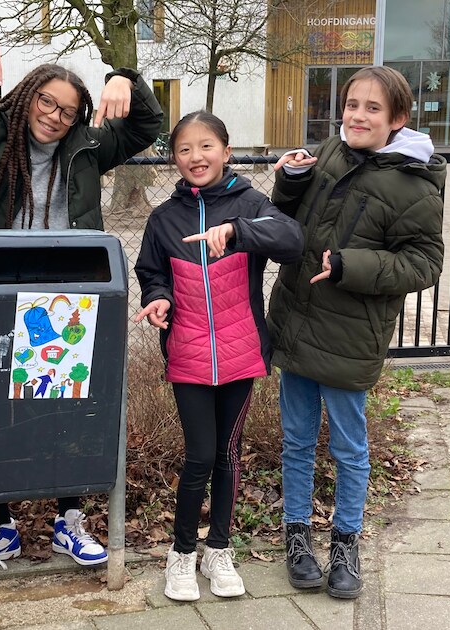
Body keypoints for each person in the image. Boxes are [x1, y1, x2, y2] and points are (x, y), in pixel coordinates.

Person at [0, 14, 164, 571]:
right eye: (47, 103)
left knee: (70, 403)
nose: (55, 117)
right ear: (27, 97)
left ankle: (67, 520)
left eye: (68, 110)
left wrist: (125, 76)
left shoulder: (87, 147)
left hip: (65, 298)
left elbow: (149, 125)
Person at [268, 66, 445, 600]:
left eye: (372, 108)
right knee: (296, 442)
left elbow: (424, 263)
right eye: (351, 104)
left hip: (349, 337)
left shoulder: (413, 183)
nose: (358, 115)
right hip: (298, 322)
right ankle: (296, 535)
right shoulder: (328, 153)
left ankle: (345, 541)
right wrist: (288, 182)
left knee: (349, 448)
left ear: (397, 120)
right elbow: (285, 223)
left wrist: (351, 265)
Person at [133, 111, 302, 601]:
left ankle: (219, 550)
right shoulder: (164, 219)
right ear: (174, 159)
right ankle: (182, 554)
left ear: (226, 152)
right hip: (187, 353)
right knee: (200, 454)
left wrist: (237, 232)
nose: (195, 157)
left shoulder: (251, 203)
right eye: (184, 149)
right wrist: (158, 297)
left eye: (205, 146)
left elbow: (292, 241)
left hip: (241, 351)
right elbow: (151, 272)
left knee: (228, 455)